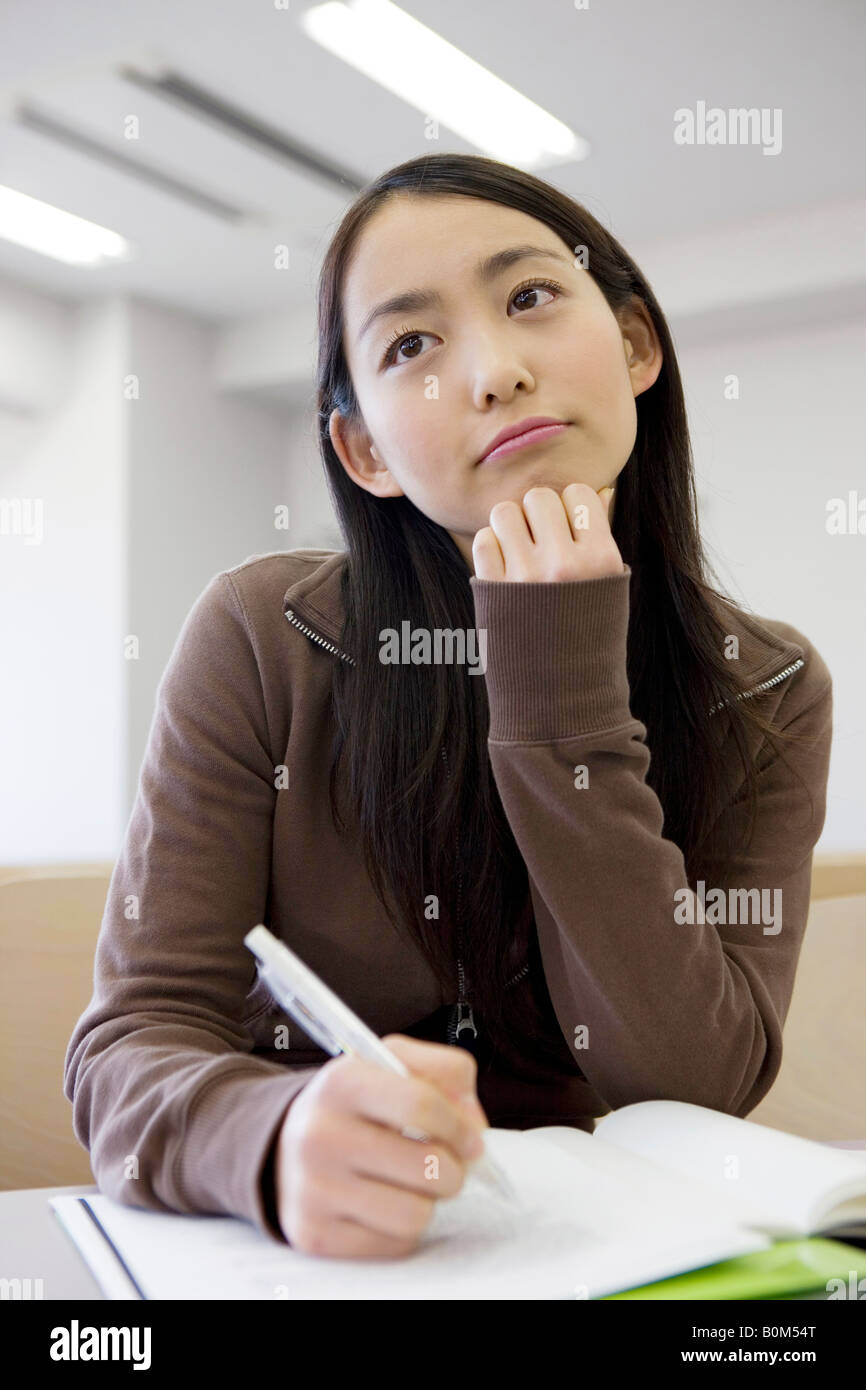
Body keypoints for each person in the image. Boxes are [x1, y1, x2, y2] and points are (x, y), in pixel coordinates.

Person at [64, 153, 833, 1263]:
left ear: (632, 344)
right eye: (409, 345)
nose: (493, 371)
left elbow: (690, 1085)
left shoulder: (760, 686)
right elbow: (132, 1042)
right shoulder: (261, 635)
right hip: (319, 1254)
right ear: (364, 450)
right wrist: (272, 1137)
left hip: (589, 1256)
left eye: (528, 297)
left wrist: (559, 701)